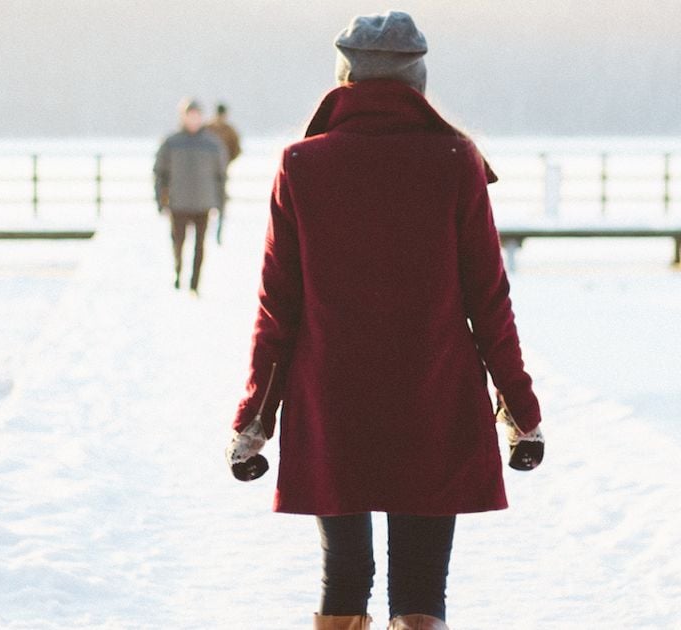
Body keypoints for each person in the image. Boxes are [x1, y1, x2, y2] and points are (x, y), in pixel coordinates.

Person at [225, 11, 545, 630]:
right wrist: (520, 409)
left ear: (344, 78)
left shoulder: (301, 164)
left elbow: (277, 308)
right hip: (434, 394)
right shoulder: (455, 160)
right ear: (417, 80)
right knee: (422, 586)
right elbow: (489, 299)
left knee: (342, 574)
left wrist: (254, 418)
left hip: (331, 397)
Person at [153, 99, 228, 292]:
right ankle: (178, 271)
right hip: (178, 203)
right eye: (190, 116)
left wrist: (220, 203)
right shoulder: (171, 143)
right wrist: (160, 199)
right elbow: (160, 172)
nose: (193, 120)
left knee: (200, 246)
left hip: (203, 203)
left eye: (196, 116)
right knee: (178, 242)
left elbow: (220, 176)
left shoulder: (212, 143)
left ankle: (195, 283)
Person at [204, 102, 241, 245]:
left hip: (221, 171)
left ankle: (218, 232)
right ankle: (206, 230)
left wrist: (226, 161)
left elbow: (236, 149)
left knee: (221, 202)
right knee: (207, 201)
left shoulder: (229, 130)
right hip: (207, 172)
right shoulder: (208, 129)